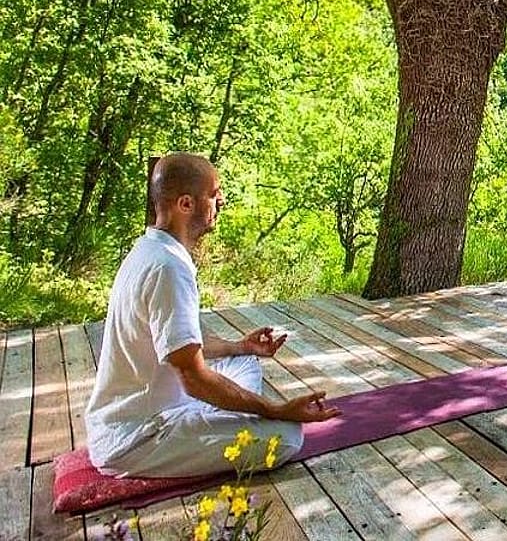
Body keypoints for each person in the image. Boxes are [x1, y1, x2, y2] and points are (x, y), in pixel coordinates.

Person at [85, 153, 340, 478]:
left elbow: (182, 347)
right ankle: (238, 417)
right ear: (186, 204)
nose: (222, 201)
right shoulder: (167, 268)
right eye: (214, 193)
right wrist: (275, 410)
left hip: (155, 404)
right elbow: (193, 378)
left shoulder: (151, 248)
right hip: (138, 436)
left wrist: (241, 346)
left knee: (243, 362)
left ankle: (232, 412)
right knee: (287, 436)